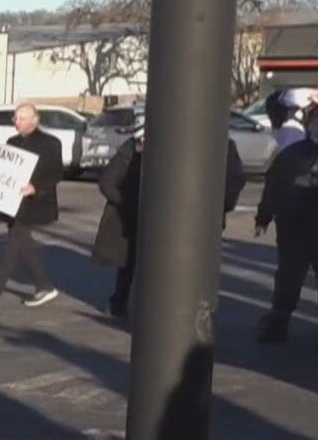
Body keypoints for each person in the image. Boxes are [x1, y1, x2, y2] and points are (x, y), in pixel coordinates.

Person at [93, 127, 246, 319]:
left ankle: (135, 303)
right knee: (189, 265)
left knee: (144, 261)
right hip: (189, 218)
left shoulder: (158, 142)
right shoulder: (218, 143)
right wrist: (220, 208)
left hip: (159, 215)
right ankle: (190, 308)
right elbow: (235, 178)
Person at [254, 103, 318, 348]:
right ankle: (278, 320)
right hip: (293, 224)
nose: (317, 121)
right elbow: (274, 185)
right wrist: (264, 216)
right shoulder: (294, 152)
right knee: (288, 274)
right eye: (312, 117)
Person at [0, 103, 65, 312]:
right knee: (23, 245)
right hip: (12, 202)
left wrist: (35, 187)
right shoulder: (12, 142)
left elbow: (56, 173)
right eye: (15, 118)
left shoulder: (50, 143)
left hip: (34, 202)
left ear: (34, 120)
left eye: (22, 118)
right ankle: (45, 286)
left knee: (12, 246)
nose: (16, 122)